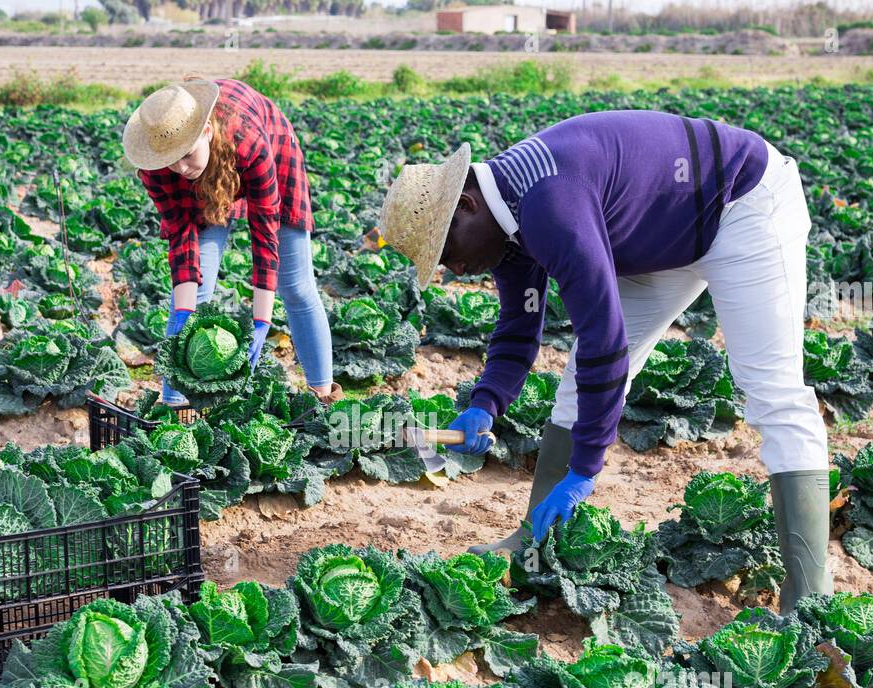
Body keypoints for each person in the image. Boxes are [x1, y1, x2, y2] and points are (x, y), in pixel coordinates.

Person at [379, 110, 831, 612]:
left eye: (447, 253)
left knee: (772, 391)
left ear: (466, 205)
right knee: (578, 379)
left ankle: (810, 599)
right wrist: (484, 404)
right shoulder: (505, 224)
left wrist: (585, 470)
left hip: (742, 202)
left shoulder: (549, 203)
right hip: (667, 233)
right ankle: (536, 542)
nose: (456, 269)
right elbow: (517, 328)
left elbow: (605, 339)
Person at [123, 77, 335, 405]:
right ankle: (175, 403)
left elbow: (265, 235)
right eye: (171, 159)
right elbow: (182, 237)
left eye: (186, 154)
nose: (180, 167)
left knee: (295, 286)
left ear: (205, 131)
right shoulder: (159, 168)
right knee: (197, 292)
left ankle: (322, 395)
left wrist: (262, 322)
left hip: (274, 151)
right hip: (215, 165)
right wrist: (183, 316)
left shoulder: (250, 141)